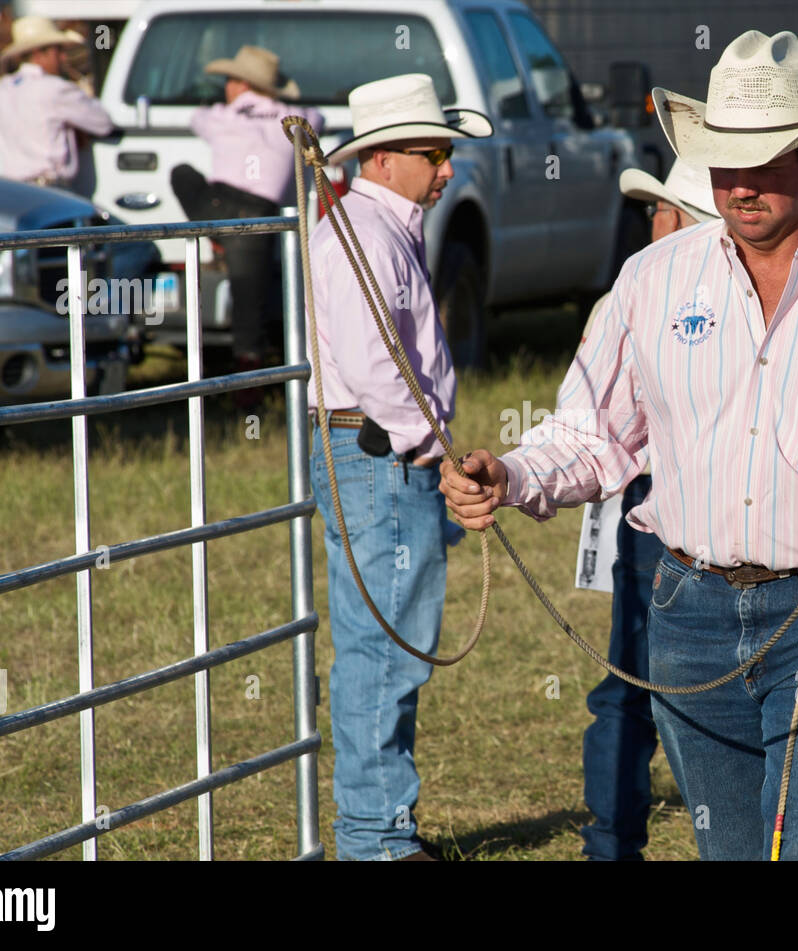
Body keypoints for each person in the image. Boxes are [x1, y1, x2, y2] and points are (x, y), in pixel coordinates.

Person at [439, 29, 798, 861]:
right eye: (722, 160)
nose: (740, 185)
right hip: (688, 611)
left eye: (766, 160)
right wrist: (513, 473)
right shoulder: (651, 281)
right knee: (730, 848)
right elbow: (589, 435)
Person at [308, 73, 492, 861]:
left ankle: (381, 827)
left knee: (395, 641)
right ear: (382, 159)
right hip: (380, 453)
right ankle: (375, 839)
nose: (446, 168)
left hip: (385, 451)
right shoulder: (360, 234)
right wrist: (432, 445)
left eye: (446, 152)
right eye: (432, 153)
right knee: (383, 644)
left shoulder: (381, 227)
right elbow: (376, 363)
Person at [580, 158, 719, 861]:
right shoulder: (633, 294)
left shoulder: (647, 294)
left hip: (676, 507)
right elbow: (585, 420)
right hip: (653, 507)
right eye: (653, 212)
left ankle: (615, 841)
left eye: (664, 211)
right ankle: (611, 842)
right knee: (635, 678)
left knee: (643, 682)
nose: (653, 223)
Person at [171, 46, 322, 380]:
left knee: (182, 173)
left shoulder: (222, 115)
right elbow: (318, 119)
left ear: (241, 84)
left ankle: (219, 242)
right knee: (248, 300)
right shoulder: (296, 117)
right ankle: (251, 376)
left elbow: (197, 119)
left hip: (218, 204)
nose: (225, 87)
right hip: (262, 214)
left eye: (229, 80)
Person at [0, 16, 113, 190]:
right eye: (58, 51)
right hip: (49, 186)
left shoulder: (3, 88)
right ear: (39, 54)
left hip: (13, 190)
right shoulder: (55, 89)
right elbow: (103, 123)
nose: (63, 57)